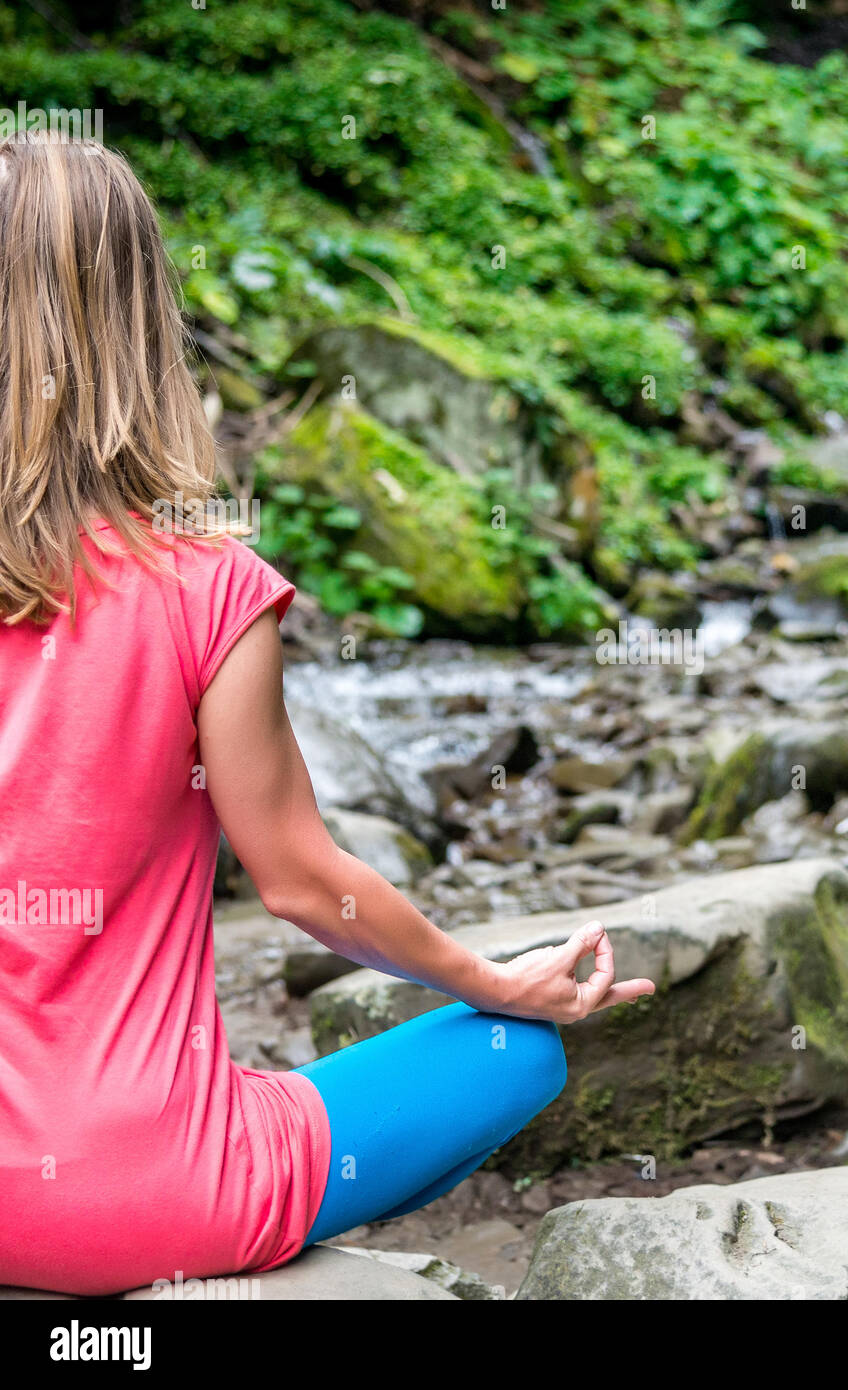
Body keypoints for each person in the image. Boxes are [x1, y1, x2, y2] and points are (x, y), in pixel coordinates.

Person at [0, 131, 654, 1297]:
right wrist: (492, 979)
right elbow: (302, 882)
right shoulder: (207, 589)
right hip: (153, 1190)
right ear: (143, 321)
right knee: (514, 1054)